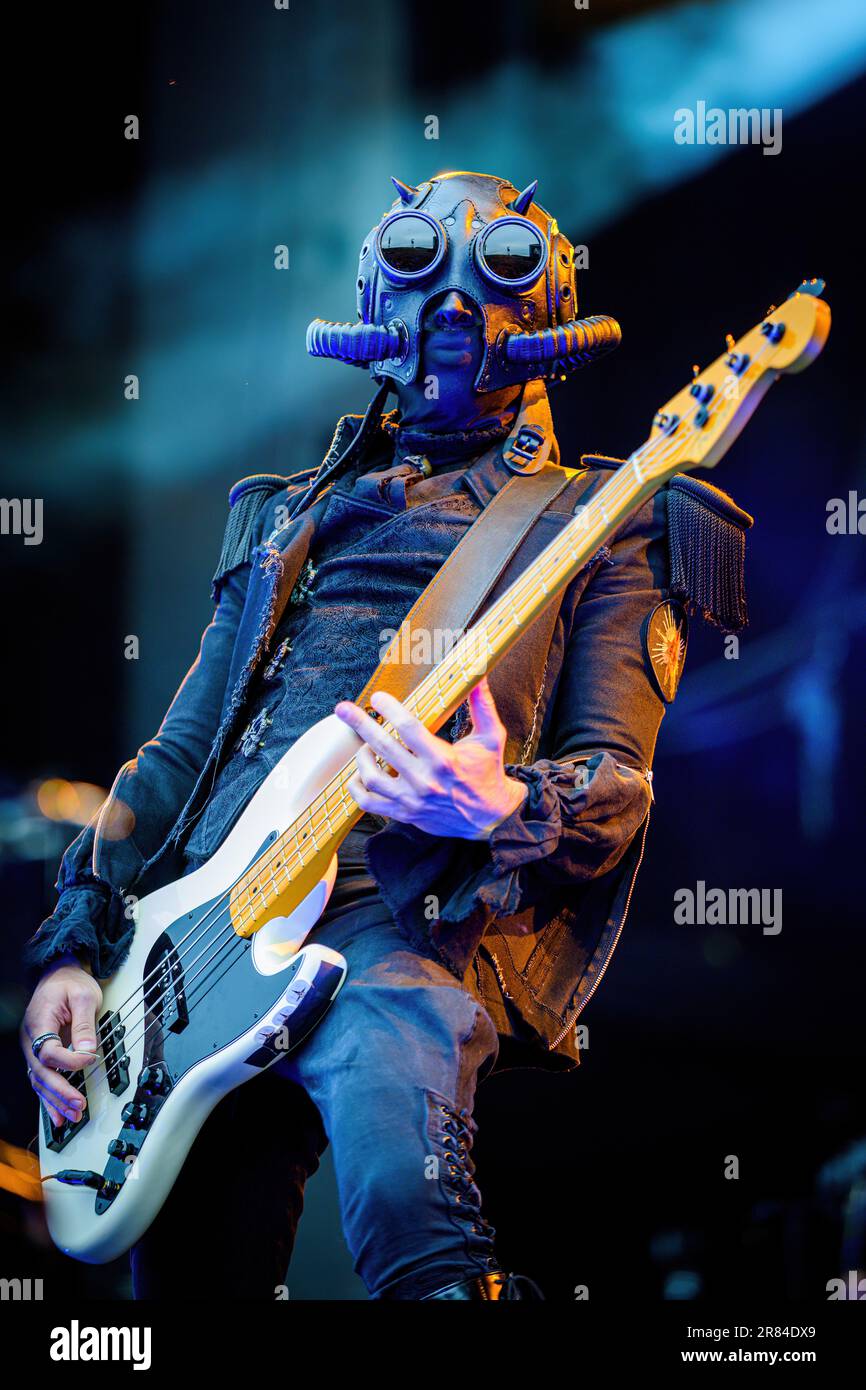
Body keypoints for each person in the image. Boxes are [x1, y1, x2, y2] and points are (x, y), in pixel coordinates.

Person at [20, 171, 752, 1300]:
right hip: (189, 954)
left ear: (548, 314)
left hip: (399, 917)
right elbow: (173, 760)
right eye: (418, 264)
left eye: (499, 271)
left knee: (416, 1219)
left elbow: (616, 783)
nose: (453, 305)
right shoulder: (282, 514)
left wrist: (502, 804)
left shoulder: (605, 518)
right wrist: (75, 946)